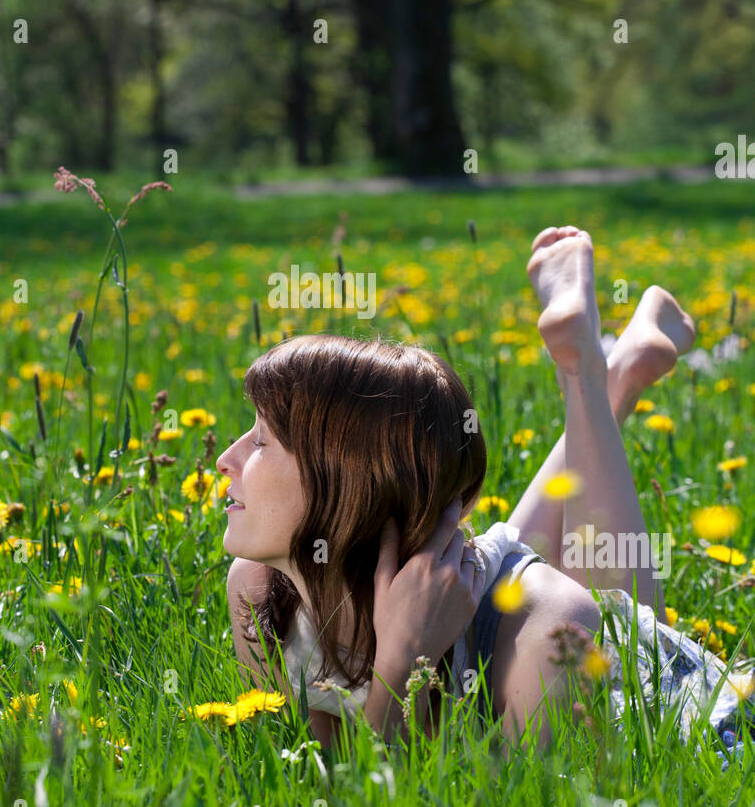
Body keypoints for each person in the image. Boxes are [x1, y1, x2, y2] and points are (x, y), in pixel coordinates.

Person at [219, 226, 755, 757]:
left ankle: (591, 370)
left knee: (617, 617)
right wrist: (401, 661)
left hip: (679, 712)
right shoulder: (261, 591)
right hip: (492, 611)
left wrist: (406, 656)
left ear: (349, 480)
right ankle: (616, 369)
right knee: (501, 587)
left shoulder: (550, 634)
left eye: (262, 441)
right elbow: (324, 780)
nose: (225, 460)